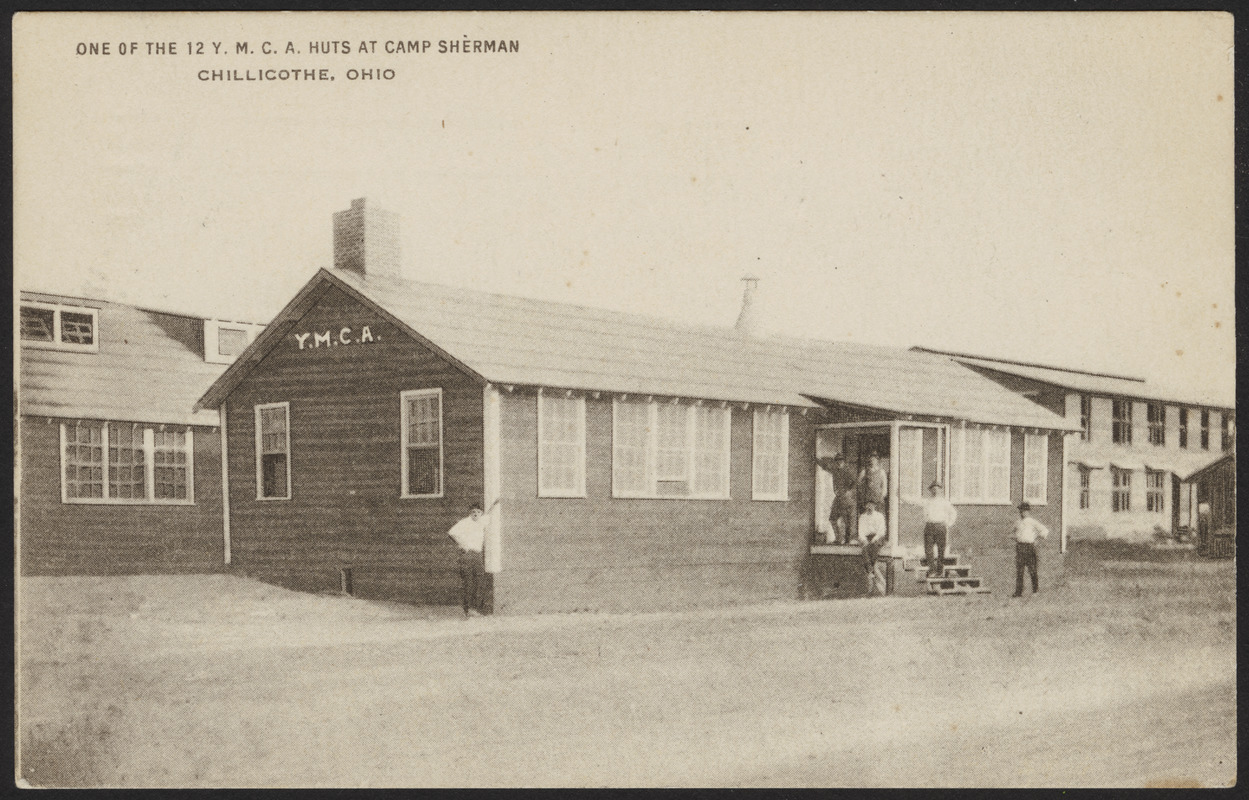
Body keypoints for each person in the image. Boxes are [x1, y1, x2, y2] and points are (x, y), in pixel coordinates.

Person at [447, 498, 501, 616]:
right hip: (467, 555)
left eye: (478, 512)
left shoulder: (481, 521)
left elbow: (488, 514)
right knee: (469, 582)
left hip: (477, 555)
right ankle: (468, 610)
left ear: (481, 513)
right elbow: (451, 532)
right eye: (473, 512)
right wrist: (462, 544)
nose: (475, 514)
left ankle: (475, 609)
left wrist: (494, 504)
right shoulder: (465, 522)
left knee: (479, 580)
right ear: (470, 513)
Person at [1010, 501, 1048, 597]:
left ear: (1028, 511)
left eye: (1024, 511)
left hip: (1029, 547)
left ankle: (1035, 591)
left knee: (1032, 569)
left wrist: (1037, 537)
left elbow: (1044, 530)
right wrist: (1015, 537)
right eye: (1020, 511)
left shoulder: (1032, 522)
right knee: (1020, 571)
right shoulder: (1018, 522)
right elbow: (1012, 532)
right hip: (1020, 547)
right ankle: (1018, 592)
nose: (1022, 513)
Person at [920, 481, 957, 577]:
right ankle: (932, 570)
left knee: (941, 549)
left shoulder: (944, 502)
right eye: (933, 489)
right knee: (928, 549)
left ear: (940, 490)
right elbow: (916, 503)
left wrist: (948, 523)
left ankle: (940, 571)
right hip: (929, 526)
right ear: (930, 490)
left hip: (940, 526)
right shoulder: (927, 502)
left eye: (937, 489)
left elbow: (953, 513)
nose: (935, 491)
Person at [820, 453, 858, 544]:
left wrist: (849, 491)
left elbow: (855, 482)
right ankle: (839, 538)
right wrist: (815, 459)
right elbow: (825, 466)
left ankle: (847, 540)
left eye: (841, 460)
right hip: (838, 497)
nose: (839, 462)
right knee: (832, 518)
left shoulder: (848, 471)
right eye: (837, 460)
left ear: (844, 461)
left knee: (846, 520)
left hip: (846, 498)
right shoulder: (835, 470)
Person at [857, 499, 888, 596]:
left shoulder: (879, 516)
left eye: (871, 505)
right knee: (865, 549)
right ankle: (871, 571)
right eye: (868, 505)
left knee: (873, 548)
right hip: (866, 538)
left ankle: (870, 571)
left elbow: (882, 531)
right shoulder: (862, 517)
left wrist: (875, 539)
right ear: (865, 506)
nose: (869, 507)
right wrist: (864, 539)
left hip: (877, 537)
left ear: (875, 506)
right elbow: (861, 531)